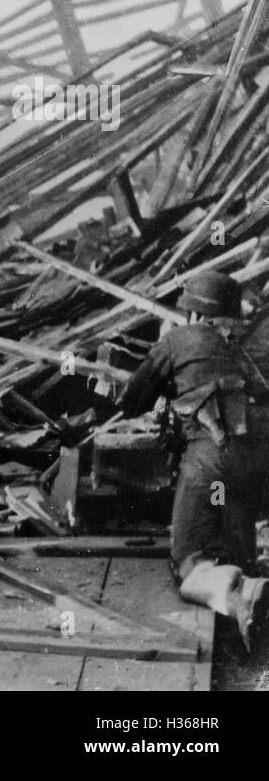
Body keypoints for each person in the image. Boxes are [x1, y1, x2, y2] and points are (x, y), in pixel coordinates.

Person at [119, 270, 269, 648]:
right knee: (238, 548)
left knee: (190, 562)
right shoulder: (244, 349)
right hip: (253, 462)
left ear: (194, 313)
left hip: (209, 461)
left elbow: (131, 402)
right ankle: (247, 609)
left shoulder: (177, 339)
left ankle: (240, 590)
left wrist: (162, 392)